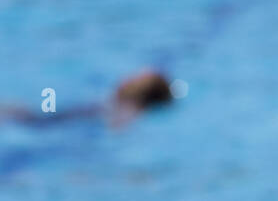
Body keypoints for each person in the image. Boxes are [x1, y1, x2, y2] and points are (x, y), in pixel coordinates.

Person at [0, 70, 174, 126]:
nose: (125, 79)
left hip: (62, 121)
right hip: (65, 120)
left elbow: (118, 125)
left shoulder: (128, 107)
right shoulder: (122, 105)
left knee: (27, 117)